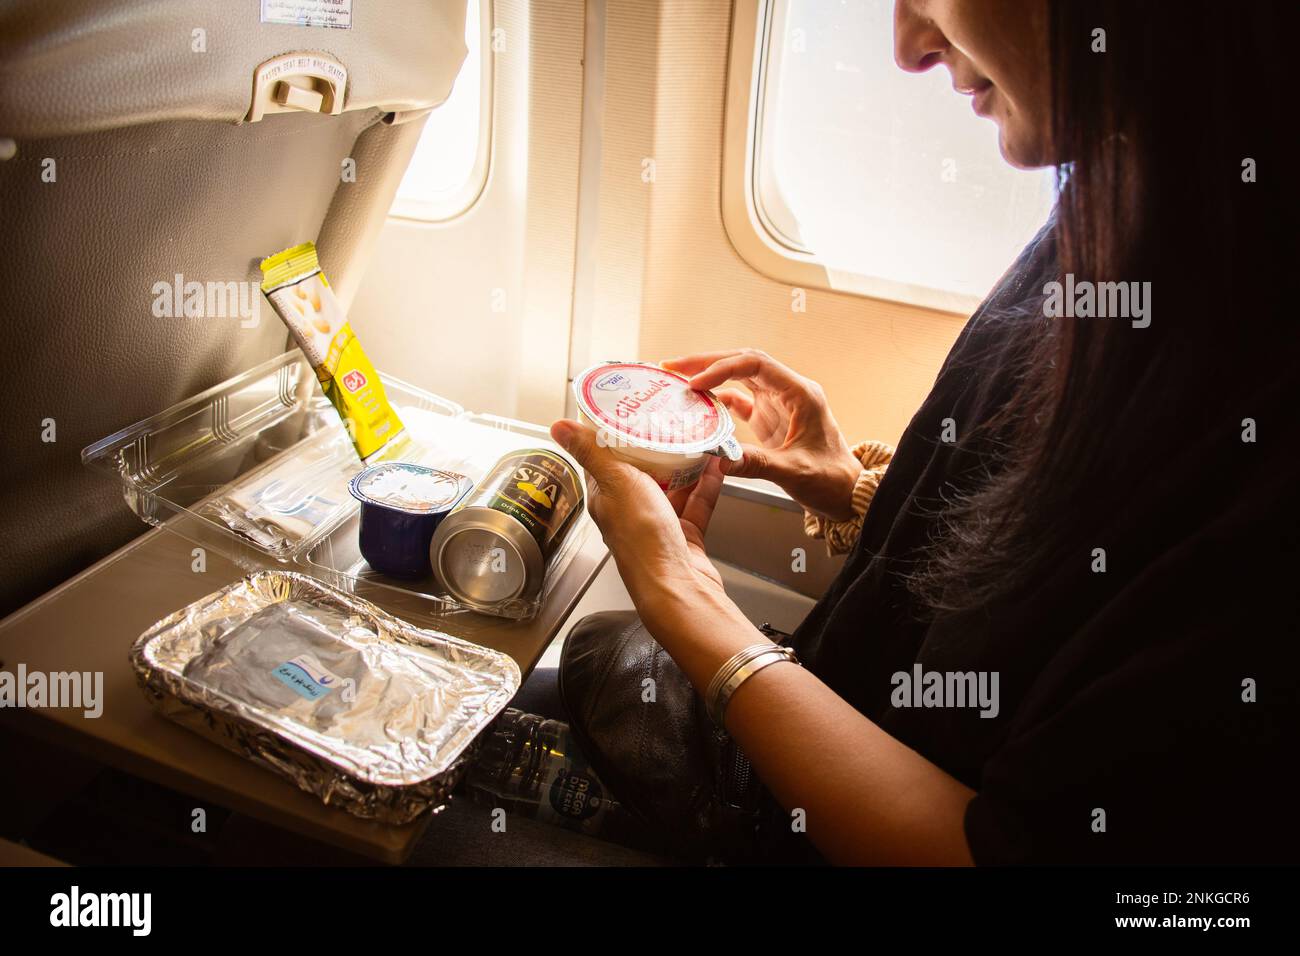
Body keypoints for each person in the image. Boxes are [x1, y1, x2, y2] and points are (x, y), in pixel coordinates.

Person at [543, 0, 1299, 864]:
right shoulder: (1128, 186)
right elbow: (1062, 576)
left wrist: (690, 603)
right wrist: (860, 491)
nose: (906, 47)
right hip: (875, 704)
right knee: (581, 659)